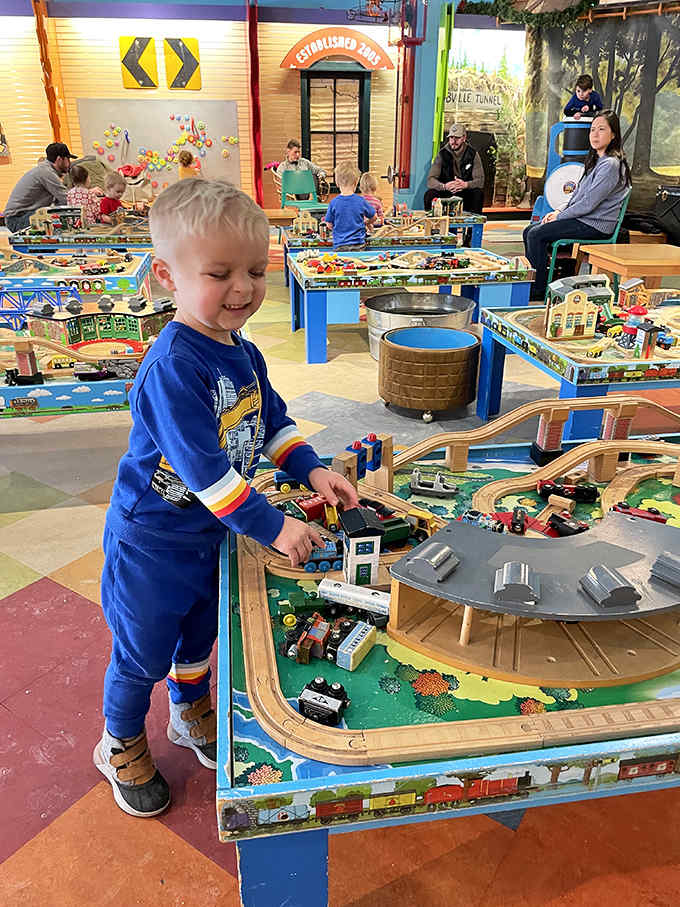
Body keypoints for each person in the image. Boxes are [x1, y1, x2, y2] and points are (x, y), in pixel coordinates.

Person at [94, 179, 359, 818]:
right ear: (167, 276)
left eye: (256, 271)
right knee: (142, 648)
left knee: (199, 637)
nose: (242, 288)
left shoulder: (243, 352)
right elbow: (206, 469)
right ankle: (120, 739)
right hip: (153, 541)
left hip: (210, 534)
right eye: (219, 273)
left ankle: (189, 711)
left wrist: (312, 471)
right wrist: (273, 526)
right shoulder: (171, 367)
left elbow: (271, 423)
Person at [523, 109, 631, 301]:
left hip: (596, 225)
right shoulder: (597, 162)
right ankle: (537, 281)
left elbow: (588, 204)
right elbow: (578, 197)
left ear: (613, 134)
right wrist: (559, 210)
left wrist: (559, 217)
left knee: (536, 234)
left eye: (601, 129)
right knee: (529, 231)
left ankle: (537, 291)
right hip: (584, 219)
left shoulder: (610, 165)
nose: (595, 134)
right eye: (592, 130)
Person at [3, 142, 76, 233]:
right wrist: (86, 193)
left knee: (56, 214)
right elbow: (67, 199)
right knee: (56, 218)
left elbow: (61, 200)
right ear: (59, 159)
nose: (69, 163)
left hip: (22, 216)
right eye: (67, 159)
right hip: (17, 219)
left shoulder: (45, 170)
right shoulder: (46, 173)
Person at [424, 124, 484, 215]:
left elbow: (480, 180)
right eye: (451, 137)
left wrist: (465, 184)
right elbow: (430, 180)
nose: (453, 141)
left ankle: (473, 228)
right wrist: (445, 186)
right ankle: (434, 225)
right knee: (429, 194)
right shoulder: (442, 154)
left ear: (464, 138)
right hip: (447, 191)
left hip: (464, 191)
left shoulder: (473, 154)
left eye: (457, 138)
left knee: (478, 194)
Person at [324, 161, 377, 250]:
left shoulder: (333, 203)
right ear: (356, 182)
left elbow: (329, 224)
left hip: (340, 245)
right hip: (358, 245)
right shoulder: (361, 201)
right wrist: (366, 223)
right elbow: (374, 216)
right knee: (357, 263)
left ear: (337, 182)